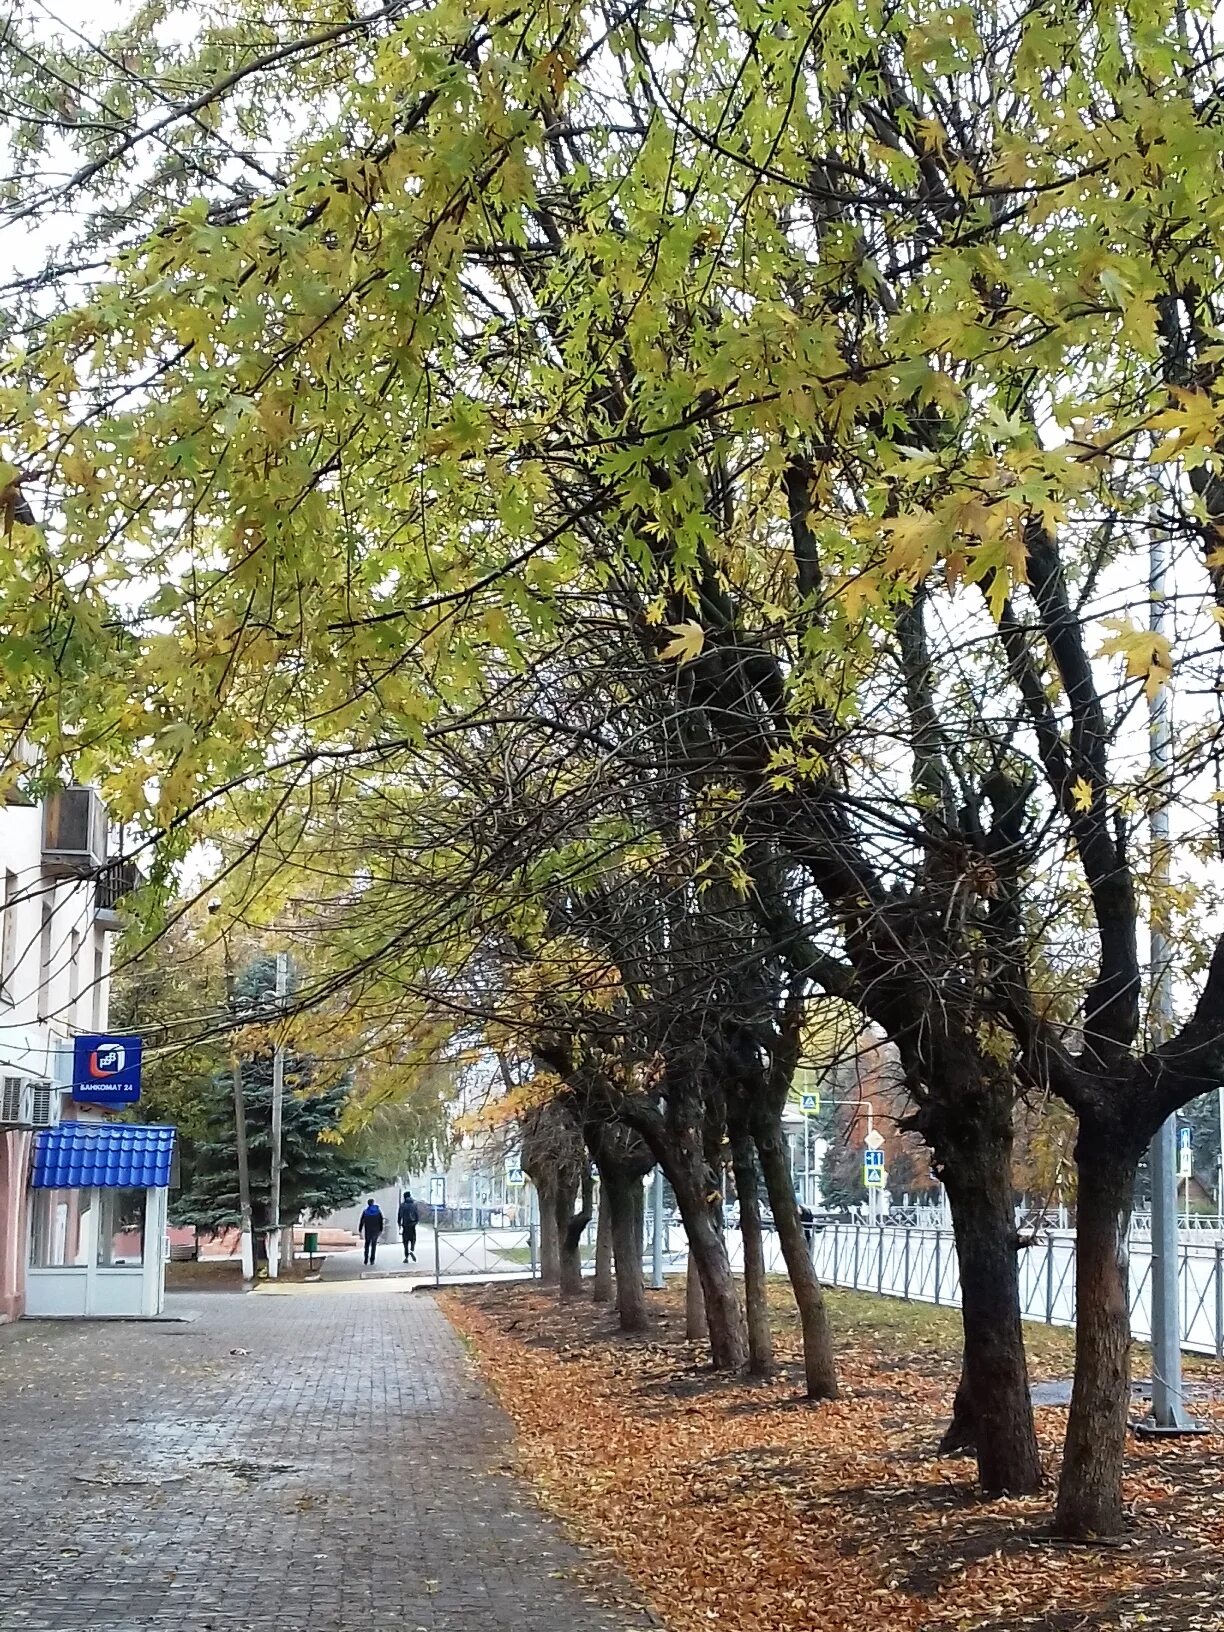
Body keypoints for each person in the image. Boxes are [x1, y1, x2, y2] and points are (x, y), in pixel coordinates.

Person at [358, 1198, 384, 1266]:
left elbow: (361, 1221)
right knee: (373, 1245)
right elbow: (381, 1221)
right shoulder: (378, 1211)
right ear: (373, 1203)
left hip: (368, 1230)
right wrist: (381, 1229)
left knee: (367, 1244)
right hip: (376, 1230)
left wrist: (360, 1230)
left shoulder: (365, 1211)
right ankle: (372, 1260)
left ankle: (366, 1259)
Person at [397, 1191, 419, 1262]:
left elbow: (399, 1215)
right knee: (413, 1239)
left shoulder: (403, 1205)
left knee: (405, 1241)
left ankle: (406, 1257)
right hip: (412, 1225)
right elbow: (417, 1214)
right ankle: (412, 1250)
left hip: (405, 1225)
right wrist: (416, 1222)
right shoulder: (414, 1204)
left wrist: (399, 1224)